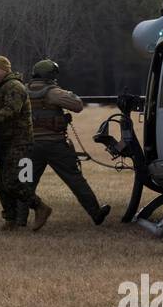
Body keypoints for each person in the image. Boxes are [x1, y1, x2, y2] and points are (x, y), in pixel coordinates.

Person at [25, 59, 111, 229]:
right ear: (51, 76)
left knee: (24, 183)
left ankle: (20, 220)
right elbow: (77, 105)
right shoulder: (53, 92)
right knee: (75, 180)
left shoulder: (22, 92)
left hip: (31, 147)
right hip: (55, 145)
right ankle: (96, 213)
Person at [0, 55, 50, 231]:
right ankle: (11, 220)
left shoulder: (14, 87)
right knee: (0, 185)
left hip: (19, 141)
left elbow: (11, 111)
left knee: (12, 182)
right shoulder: (1, 87)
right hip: (5, 141)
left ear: (5, 69)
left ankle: (40, 207)